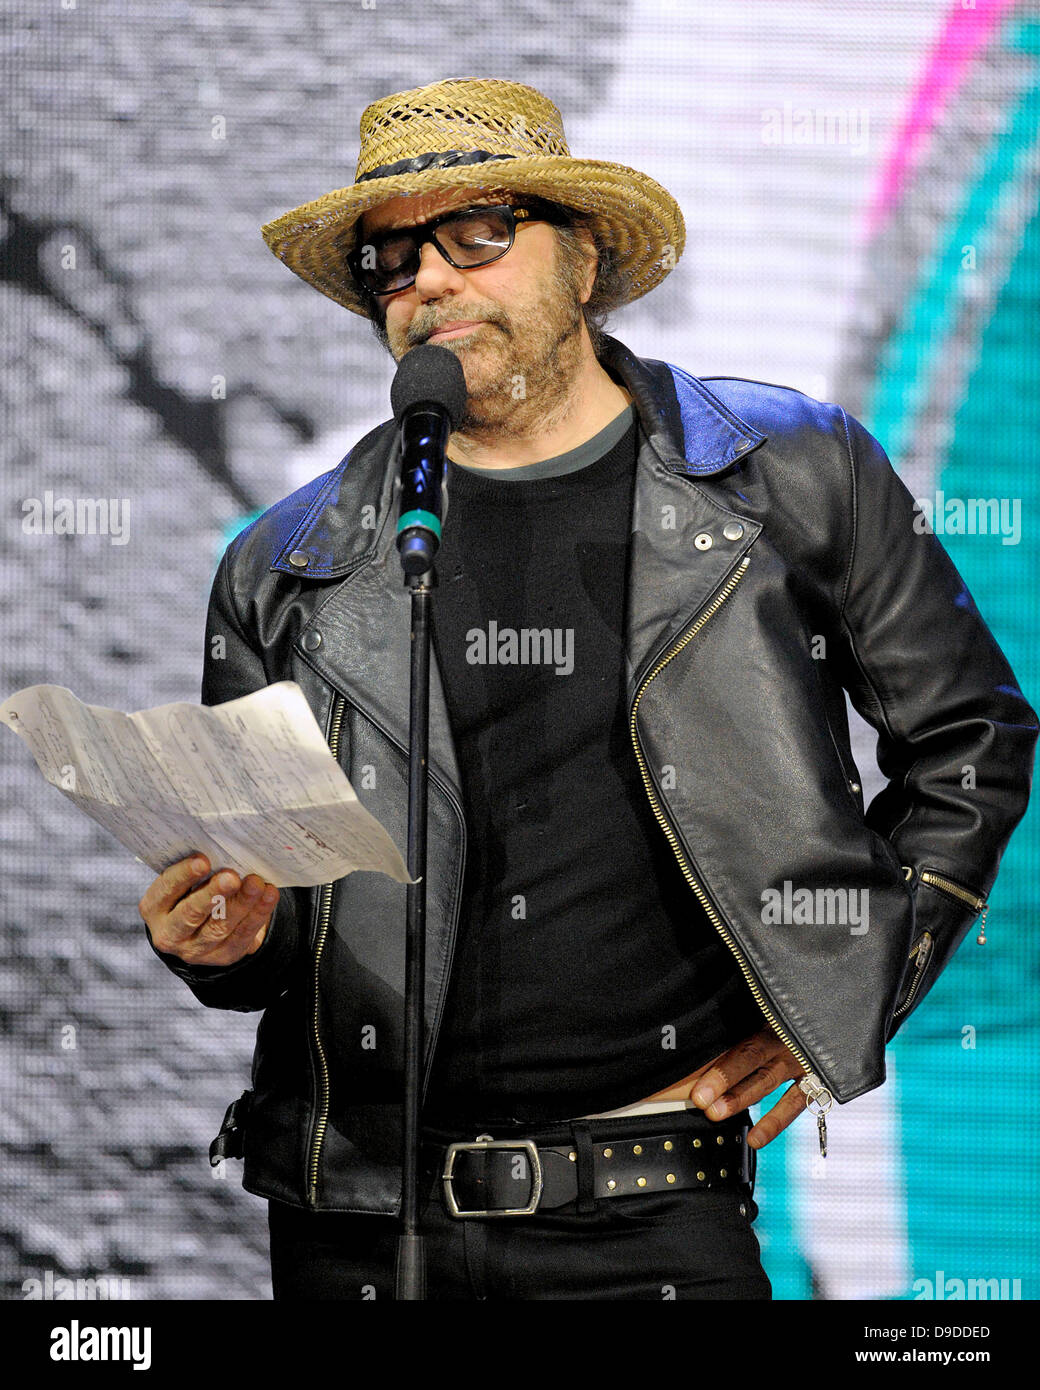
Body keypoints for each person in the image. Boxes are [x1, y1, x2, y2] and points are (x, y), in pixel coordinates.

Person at [137, 77, 1037, 1300]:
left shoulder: (789, 474)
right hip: (351, 1219)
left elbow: (970, 738)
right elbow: (278, 916)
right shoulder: (285, 564)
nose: (431, 282)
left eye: (479, 233)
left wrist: (839, 991)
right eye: (390, 259)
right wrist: (226, 941)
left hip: (649, 1211)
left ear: (587, 256)